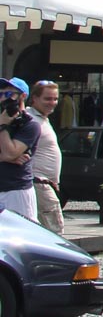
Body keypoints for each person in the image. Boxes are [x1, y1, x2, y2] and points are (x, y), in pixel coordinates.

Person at [17, 81, 65, 234]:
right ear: (34, 98)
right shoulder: (29, 119)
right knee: (55, 232)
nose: (52, 103)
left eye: (55, 99)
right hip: (39, 182)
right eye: (47, 98)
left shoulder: (42, 118)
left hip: (46, 183)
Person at [0, 78, 39, 223]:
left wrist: (3, 126)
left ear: (22, 96)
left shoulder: (30, 125)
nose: (4, 97)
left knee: (22, 236)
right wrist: (4, 158)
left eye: (9, 93)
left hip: (16, 190)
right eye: (1, 94)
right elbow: (8, 155)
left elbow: (10, 152)